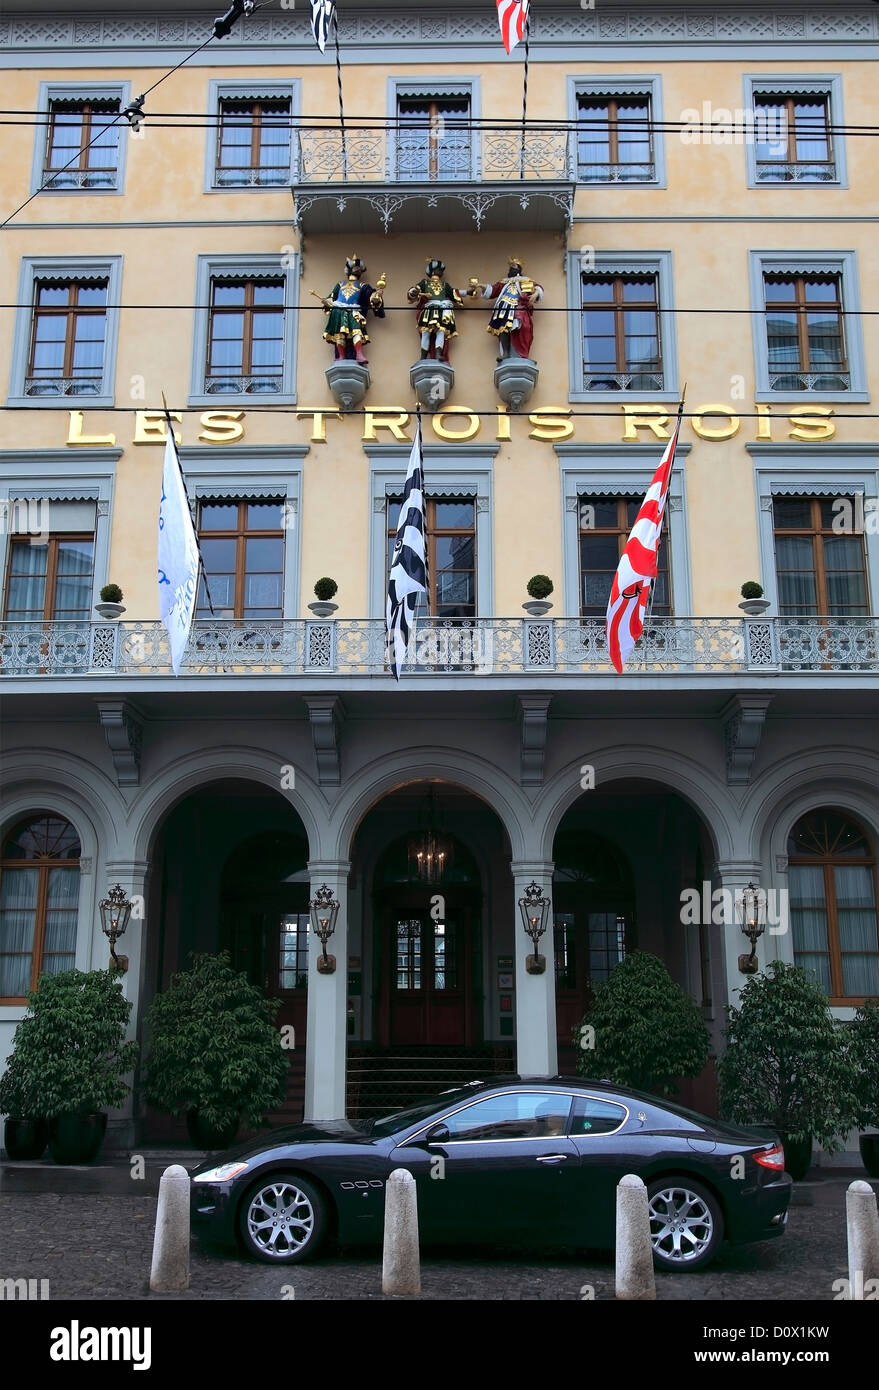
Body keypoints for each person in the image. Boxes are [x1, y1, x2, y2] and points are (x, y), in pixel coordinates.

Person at [468, 257, 543, 361]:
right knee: (503, 329)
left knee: (522, 328)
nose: (511, 269)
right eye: (510, 267)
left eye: (513, 267)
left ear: (519, 269)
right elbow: (493, 290)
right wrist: (480, 285)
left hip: (517, 307)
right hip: (503, 307)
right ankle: (506, 353)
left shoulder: (525, 280)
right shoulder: (504, 282)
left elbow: (538, 287)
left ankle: (520, 355)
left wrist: (536, 293)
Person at [321, 257, 386, 365]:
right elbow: (332, 298)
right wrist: (327, 302)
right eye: (355, 267)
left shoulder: (363, 286)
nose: (357, 269)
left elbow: (371, 296)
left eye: (359, 268)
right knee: (339, 334)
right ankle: (341, 356)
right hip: (339, 311)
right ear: (348, 269)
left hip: (354, 311)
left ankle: (359, 354)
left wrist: (376, 296)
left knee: (357, 332)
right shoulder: (340, 285)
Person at [407, 258, 464, 362]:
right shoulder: (425, 283)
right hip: (429, 309)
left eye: (441, 269)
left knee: (441, 332)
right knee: (425, 332)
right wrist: (413, 292)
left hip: (441, 310)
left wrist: (468, 292)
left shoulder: (445, 285)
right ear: (432, 271)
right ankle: (423, 357)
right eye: (439, 269)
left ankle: (438, 354)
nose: (441, 271)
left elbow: (454, 292)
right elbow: (414, 290)